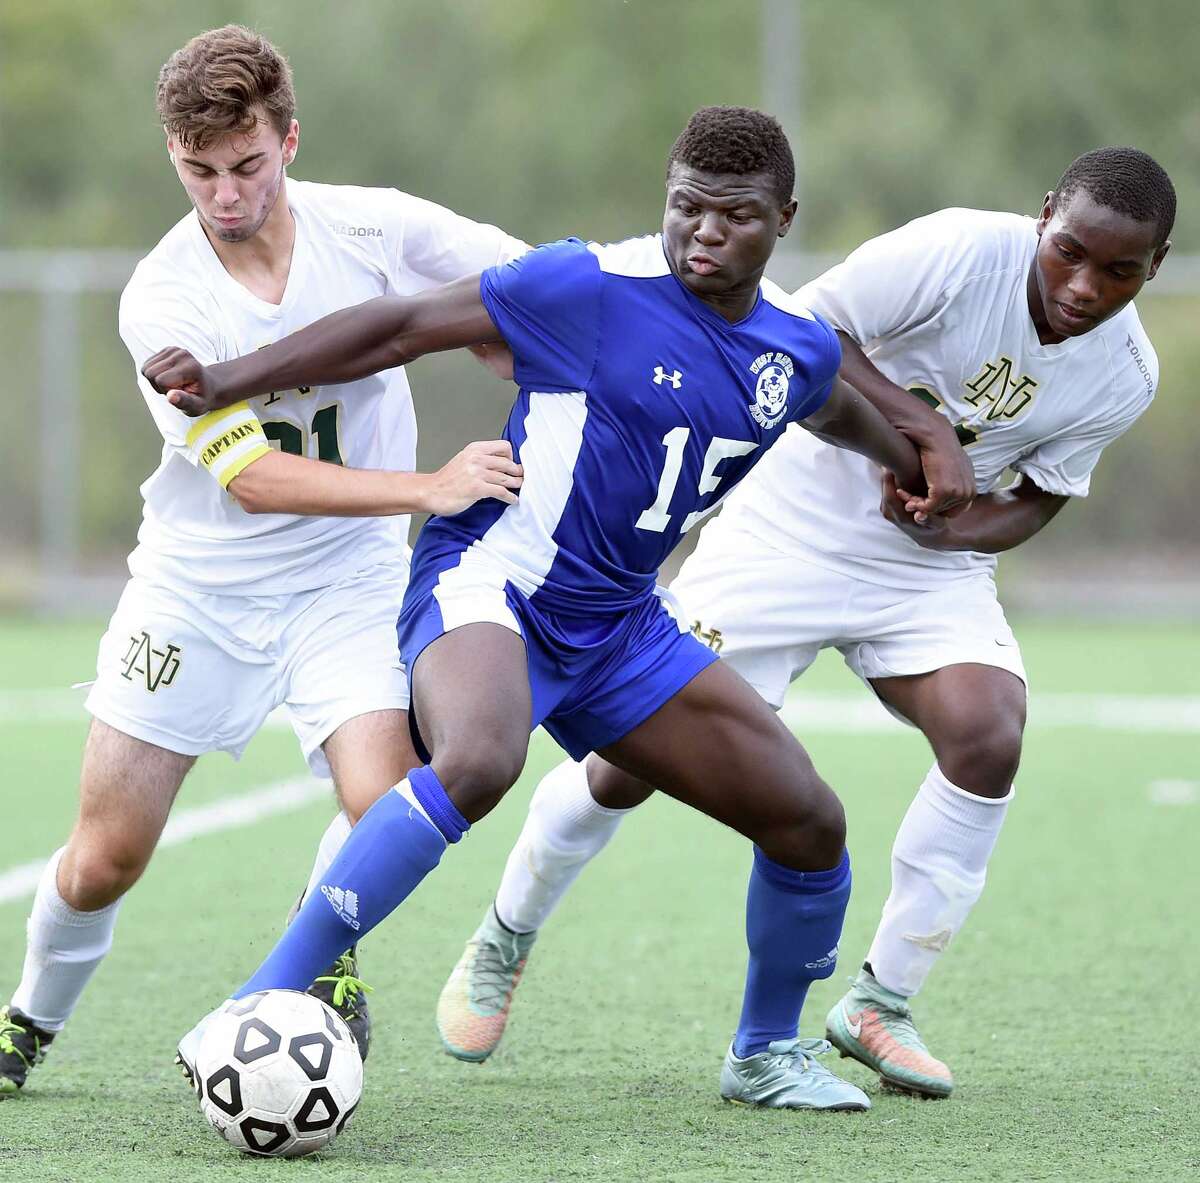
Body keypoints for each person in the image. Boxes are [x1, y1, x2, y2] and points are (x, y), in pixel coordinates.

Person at [148, 106, 973, 1112]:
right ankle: (256, 997)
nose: (705, 233)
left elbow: (831, 404)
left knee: (809, 821)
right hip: (495, 579)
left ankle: (764, 1053)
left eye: (736, 217)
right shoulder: (588, 285)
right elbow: (402, 326)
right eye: (688, 207)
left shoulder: (792, 347)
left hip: (623, 627)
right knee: (479, 759)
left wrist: (910, 458)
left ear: (784, 220)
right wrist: (225, 379)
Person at [433, 146, 1175, 1099]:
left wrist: (946, 527)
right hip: (786, 527)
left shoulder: (1128, 372)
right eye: (1070, 252)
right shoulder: (958, 251)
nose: (1083, 286)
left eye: (1118, 271)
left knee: (990, 733)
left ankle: (879, 1002)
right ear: (1043, 217)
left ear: (1154, 267)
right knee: (625, 765)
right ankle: (507, 931)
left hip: (926, 570)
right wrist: (919, 430)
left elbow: (1040, 499)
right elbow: (804, 330)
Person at [0, 24, 529, 1097]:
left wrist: (510, 331)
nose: (227, 194)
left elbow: (531, 277)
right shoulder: (163, 297)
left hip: (347, 581)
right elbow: (252, 479)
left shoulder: (372, 227)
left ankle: (318, 950)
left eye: (247, 165)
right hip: (198, 589)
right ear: (173, 155)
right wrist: (428, 486)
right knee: (105, 857)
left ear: (289, 138)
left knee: (387, 803)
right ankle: (27, 1019)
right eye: (199, 171)